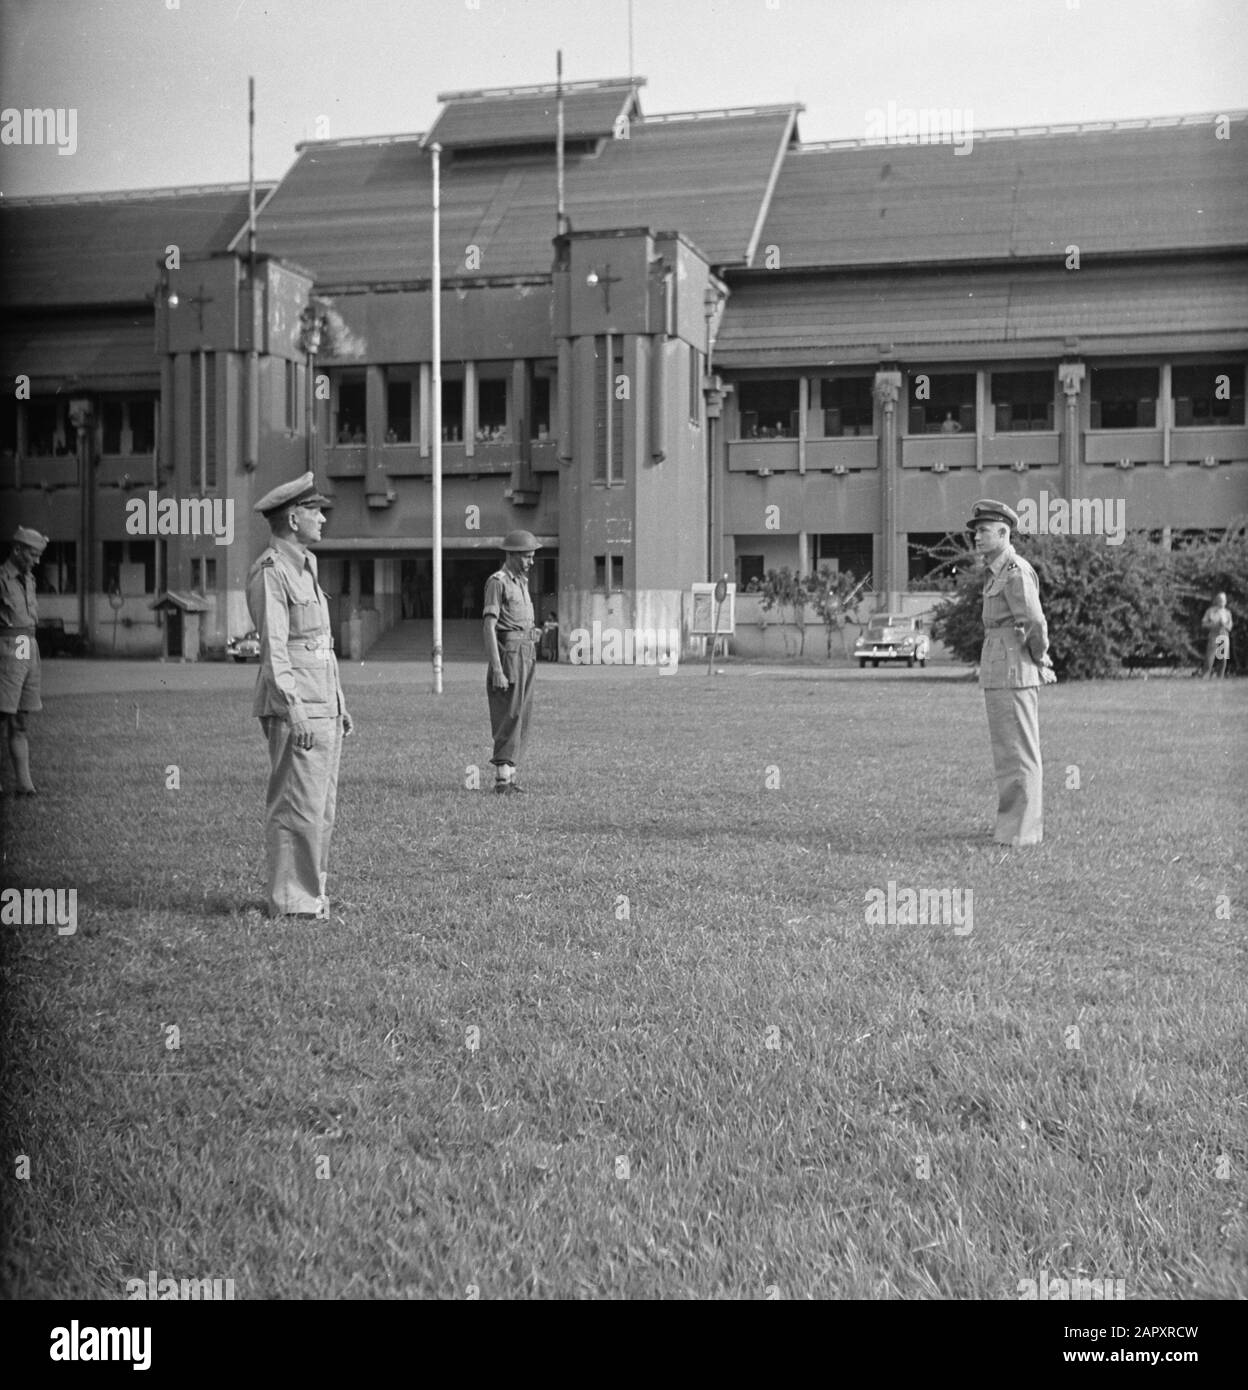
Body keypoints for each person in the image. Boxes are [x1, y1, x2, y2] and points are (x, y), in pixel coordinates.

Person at [246, 473, 353, 919]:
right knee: (296, 804)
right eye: (315, 511)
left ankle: (313, 893)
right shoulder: (271, 572)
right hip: (298, 705)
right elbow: (275, 650)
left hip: (321, 700)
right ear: (293, 517)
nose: (323, 518)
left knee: (320, 806)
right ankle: (291, 901)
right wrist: (296, 711)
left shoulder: (305, 565)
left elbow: (320, 644)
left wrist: (339, 703)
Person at [968, 499, 1056, 847]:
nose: (977, 537)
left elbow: (1033, 621)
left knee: (1019, 752)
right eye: (976, 531)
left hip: (1014, 668)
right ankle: (1012, 825)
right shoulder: (997, 570)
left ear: (1004, 533)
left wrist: (1040, 658)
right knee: (1008, 752)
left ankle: (1023, 831)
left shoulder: (1016, 571)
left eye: (983, 531)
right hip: (1001, 666)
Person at [482, 530, 541, 795]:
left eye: (532, 556)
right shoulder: (498, 582)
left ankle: (511, 774)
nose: (531, 561)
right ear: (512, 555)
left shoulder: (522, 582)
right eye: (527, 557)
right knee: (509, 712)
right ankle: (502, 779)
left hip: (527, 651)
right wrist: (497, 668)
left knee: (523, 713)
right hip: (510, 655)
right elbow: (489, 626)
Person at [0, 526, 49, 797]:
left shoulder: (29, 579)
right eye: (33, 554)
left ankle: (24, 784)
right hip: (8, 647)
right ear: (17, 550)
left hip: (29, 646)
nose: (37, 561)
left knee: (21, 720)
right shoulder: (1, 578)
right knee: (2, 714)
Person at [1201, 591, 1232, 678]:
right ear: (1216, 600)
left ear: (1226, 601)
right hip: (1214, 635)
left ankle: (1220, 677)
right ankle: (1205, 677)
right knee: (1210, 657)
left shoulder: (1227, 613)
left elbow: (1230, 627)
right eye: (1220, 599)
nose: (1222, 601)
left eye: (1223, 599)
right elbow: (1203, 624)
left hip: (1224, 635)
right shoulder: (1210, 611)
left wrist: (1224, 625)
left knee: (1222, 659)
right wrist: (1214, 624)